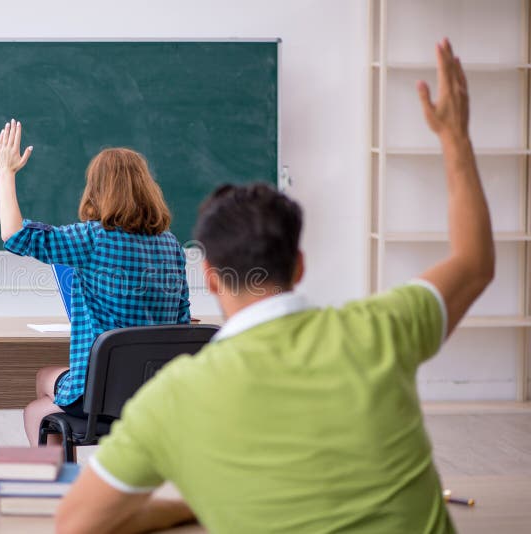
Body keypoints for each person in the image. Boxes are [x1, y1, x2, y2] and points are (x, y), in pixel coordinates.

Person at [56, 39, 493, 533]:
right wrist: (455, 139)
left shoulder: (175, 397)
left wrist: (188, 505)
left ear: (210, 276)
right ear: (299, 264)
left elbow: (77, 524)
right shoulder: (383, 329)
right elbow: (475, 263)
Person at [0, 120, 191, 446]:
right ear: (148, 188)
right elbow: (183, 321)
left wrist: (6, 172)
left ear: (96, 190)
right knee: (51, 381)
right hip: (157, 391)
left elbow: (14, 236)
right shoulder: (171, 245)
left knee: (40, 396)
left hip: (100, 394)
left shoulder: (92, 239)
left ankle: (59, 485)